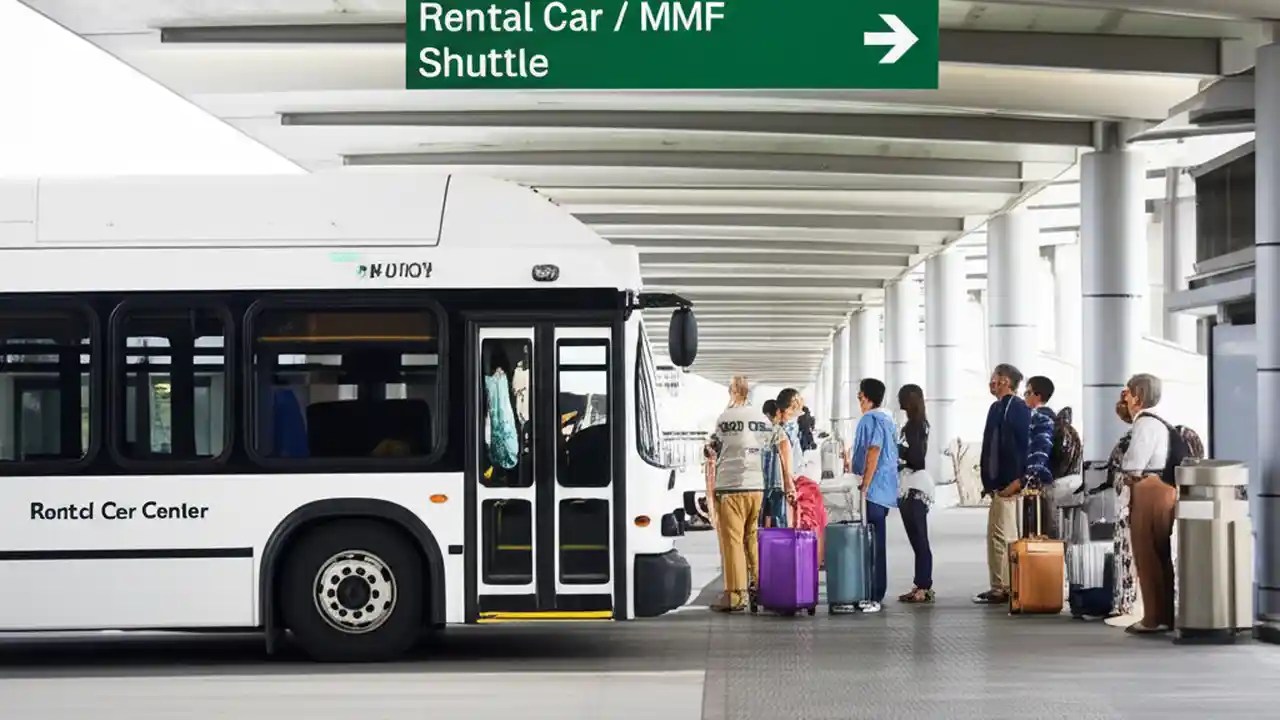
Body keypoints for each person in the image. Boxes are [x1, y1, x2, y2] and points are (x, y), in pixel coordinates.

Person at [703, 376, 770, 613]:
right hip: (756, 486)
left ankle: (735, 595)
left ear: (732, 391)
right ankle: (760, 587)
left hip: (730, 487)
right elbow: (772, 442)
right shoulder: (761, 418)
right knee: (751, 537)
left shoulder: (725, 418)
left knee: (732, 541)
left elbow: (714, 447)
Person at [1117, 373, 1175, 635]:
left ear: (1138, 396)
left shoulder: (1145, 423)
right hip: (1164, 489)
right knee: (1161, 555)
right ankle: (1164, 615)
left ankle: (1153, 618)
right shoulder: (1160, 422)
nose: (1125, 398)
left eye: (1128, 393)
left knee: (1147, 554)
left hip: (1149, 489)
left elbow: (1133, 465)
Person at [973, 364, 1031, 606]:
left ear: (1005, 381)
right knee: (997, 536)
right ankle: (1001, 584)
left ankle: (1004, 587)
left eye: (994, 378)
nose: (991, 383)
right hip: (999, 485)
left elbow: (1022, 446)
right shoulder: (997, 408)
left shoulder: (1016, 408)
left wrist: (1017, 481)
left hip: (1009, 486)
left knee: (1003, 536)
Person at [851, 378, 900, 614]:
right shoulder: (888, 420)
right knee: (877, 540)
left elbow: (873, 450)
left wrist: (865, 485)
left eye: (860, 397)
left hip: (873, 489)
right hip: (886, 489)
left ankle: (872, 593)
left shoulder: (870, 419)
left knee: (870, 543)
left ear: (868, 398)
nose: (859, 402)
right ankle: (876, 590)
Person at [895, 384, 934, 604]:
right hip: (914, 485)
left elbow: (917, 459)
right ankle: (921, 584)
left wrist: (899, 453)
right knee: (918, 540)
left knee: (919, 539)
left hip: (914, 486)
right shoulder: (919, 424)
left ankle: (924, 586)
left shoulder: (913, 426)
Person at [1016, 375, 1061, 540]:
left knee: (1038, 532)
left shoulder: (1041, 419)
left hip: (1038, 483)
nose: (1024, 397)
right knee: (1045, 531)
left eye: (1027, 393)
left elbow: (1040, 452)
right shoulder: (1051, 418)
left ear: (1037, 396)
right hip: (1046, 482)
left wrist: (1029, 477)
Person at [760, 389, 803, 528]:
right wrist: (790, 482)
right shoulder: (786, 429)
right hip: (781, 482)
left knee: (771, 519)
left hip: (775, 482)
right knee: (780, 521)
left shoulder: (782, 428)